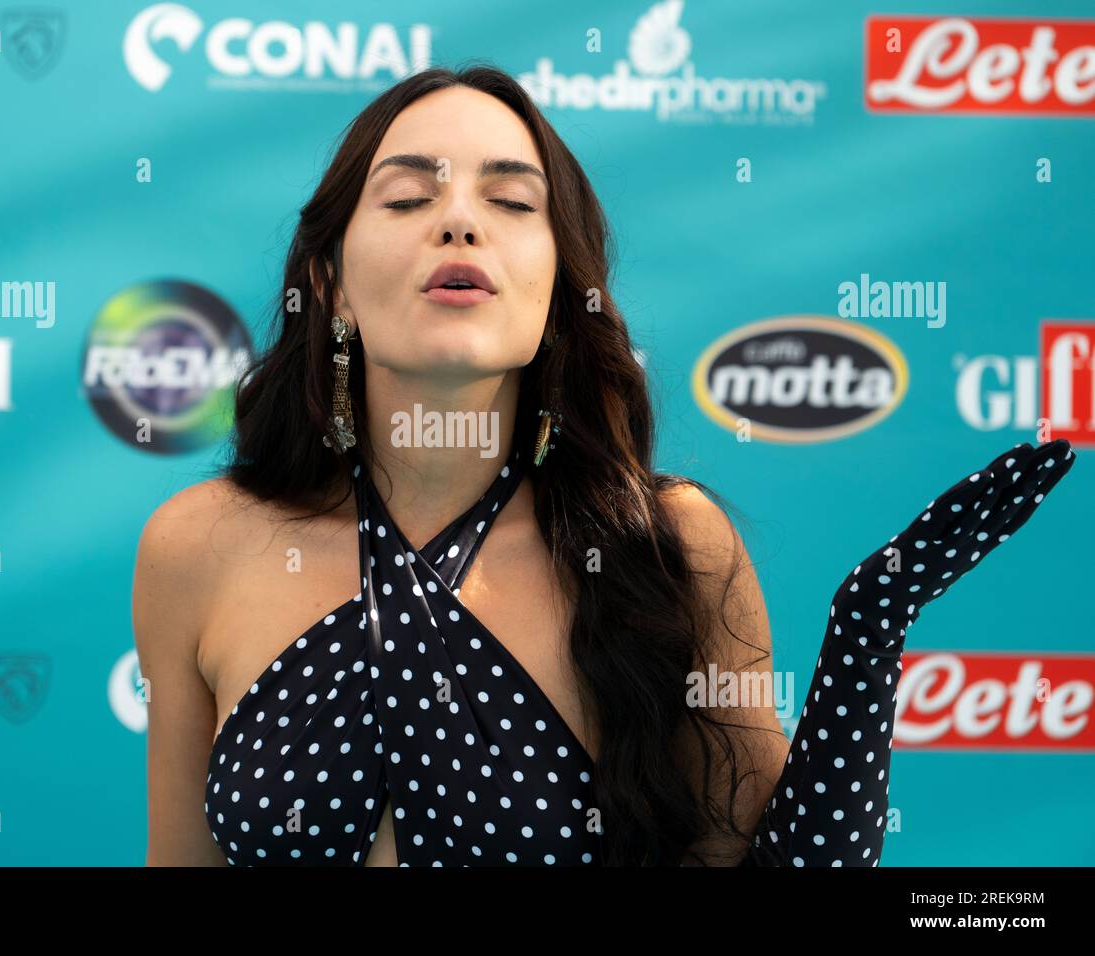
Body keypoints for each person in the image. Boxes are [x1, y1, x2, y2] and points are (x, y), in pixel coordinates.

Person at [133, 64, 1077, 867]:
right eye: (410, 197)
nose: (460, 224)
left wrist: (870, 630)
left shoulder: (666, 548)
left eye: (510, 202)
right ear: (330, 281)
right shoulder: (198, 548)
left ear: (557, 289)